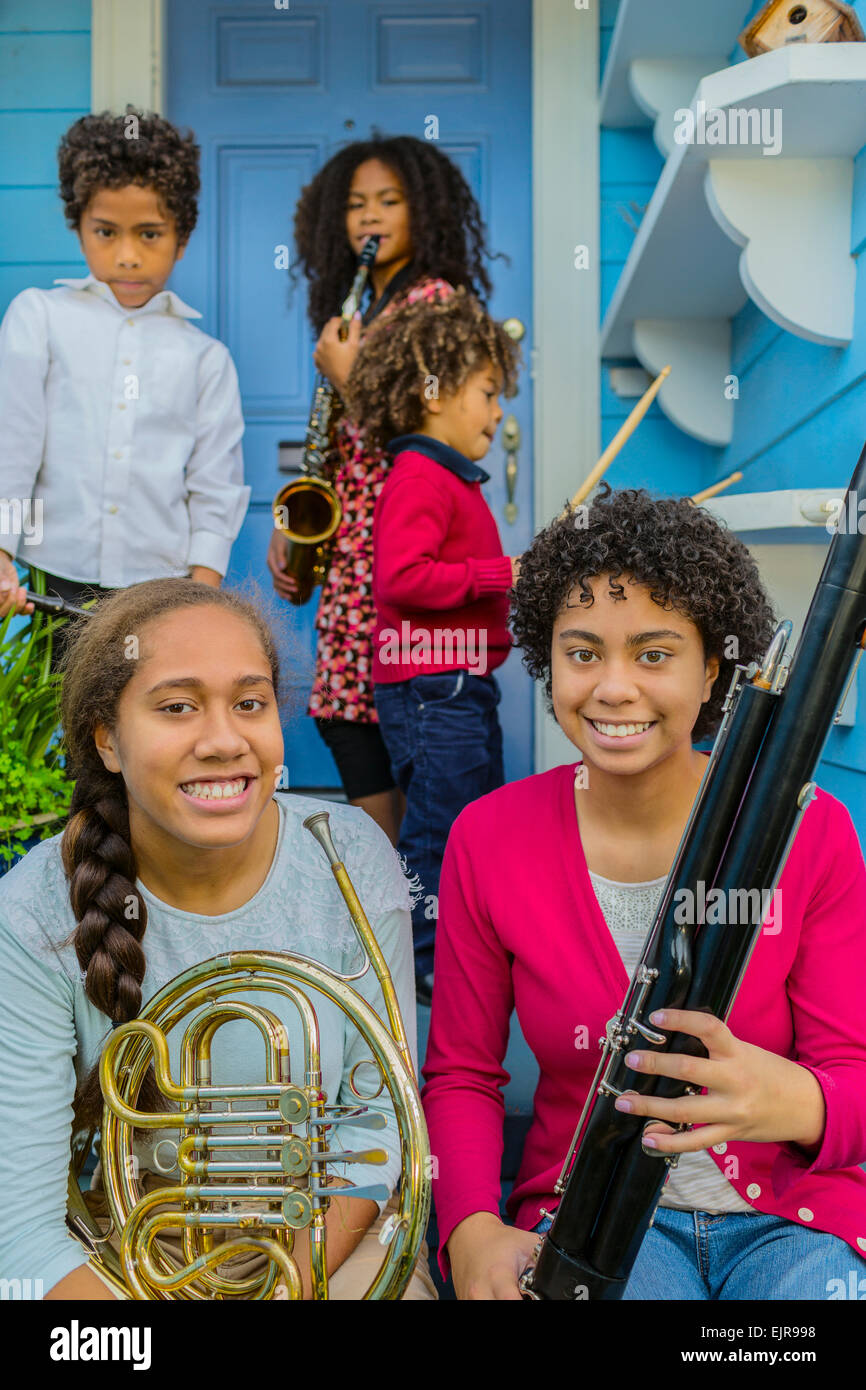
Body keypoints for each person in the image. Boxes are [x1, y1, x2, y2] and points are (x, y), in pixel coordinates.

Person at [422, 485, 866, 1300]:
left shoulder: (813, 828)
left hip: (795, 1219)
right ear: (545, 660)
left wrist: (796, 1099)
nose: (614, 688)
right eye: (583, 652)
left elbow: (852, 1070)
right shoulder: (487, 838)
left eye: (655, 654)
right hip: (592, 1216)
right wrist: (470, 1229)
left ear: (713, 674)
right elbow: (463, 1074)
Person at [0, 579, 435, 1300]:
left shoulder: (349, 855)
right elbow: (21, 1232)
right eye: (176, 707)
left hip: (328, 1240)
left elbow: (380, 1115)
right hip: (114, 1262)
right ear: (108, 738)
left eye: (250, 703)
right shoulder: (31, 913)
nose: (226, 739)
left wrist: (288, 1283)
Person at [267, 136, 497, 845]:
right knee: (344, 711)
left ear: (422, 210)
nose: (370, 216)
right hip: (352, 534)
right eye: (357, 204)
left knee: (390, 707)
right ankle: (386, 879)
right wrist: (296, 516)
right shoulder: (358, 300)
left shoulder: (437, 302)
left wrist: (348, 375)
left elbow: (428, 423)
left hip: (401, 525)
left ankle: (412, 891)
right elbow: (339, 436)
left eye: (389, 201)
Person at [0, 108, 248, 626]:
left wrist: (202, 595)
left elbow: (215, 487)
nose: (128, 256)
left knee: (151, 706)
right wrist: (2, 551)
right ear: (79, 229)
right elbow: (13, 446)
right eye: (107, 232)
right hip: (54, 577)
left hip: (162, 589)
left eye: (150, 234)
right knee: (61, 707)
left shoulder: (206, 359)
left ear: (182, 239)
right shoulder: (39, 318)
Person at [343, 290, 520, 1003]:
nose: (499, 411)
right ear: (436, 389)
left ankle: (459, 947)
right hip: (432, 685)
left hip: (460, 684)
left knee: (477, 820)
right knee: (437, 828)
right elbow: (402, 580)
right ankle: (420, 961)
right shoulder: (421, 475)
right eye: (488, 393)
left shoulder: (452, 479)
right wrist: (501, 573)